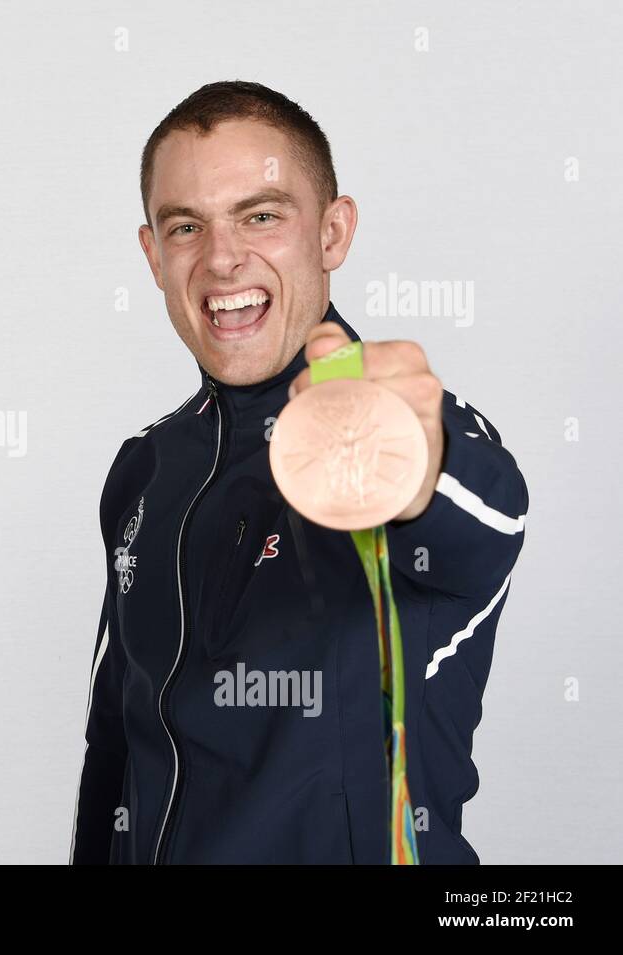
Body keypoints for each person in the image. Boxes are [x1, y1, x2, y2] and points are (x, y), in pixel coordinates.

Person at [70, 81, 528, 864]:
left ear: (333, 232)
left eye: (262, 215)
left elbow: (486, 515)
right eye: (187, 226)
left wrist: (416, 463)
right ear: (153, 255)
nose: (222, 257)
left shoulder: (401, 427)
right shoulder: (145, 466)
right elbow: (114, 747)